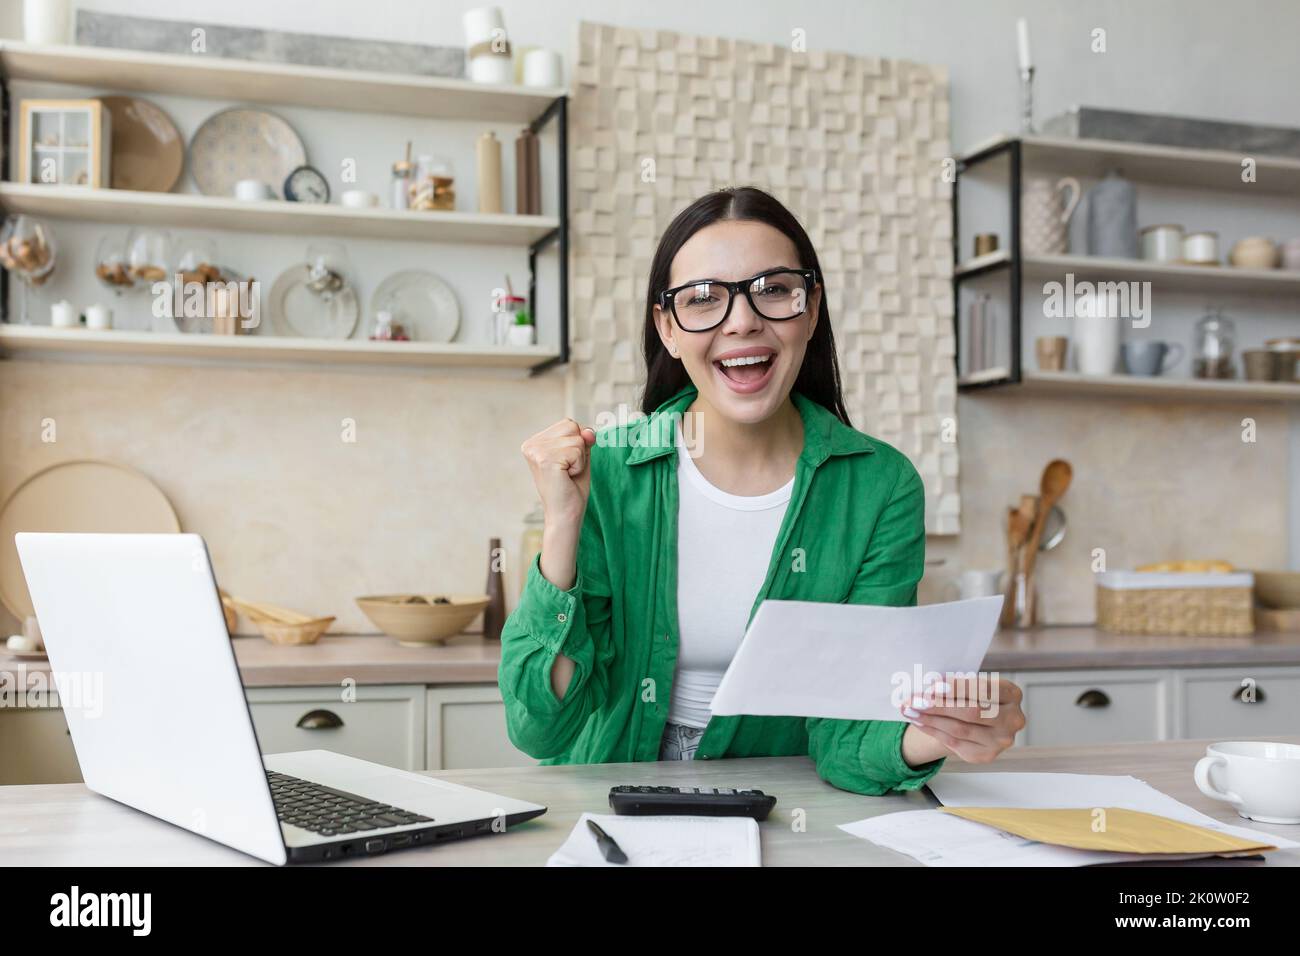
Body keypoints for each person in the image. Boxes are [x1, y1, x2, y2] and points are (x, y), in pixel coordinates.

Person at [498, 185, 1025, 795]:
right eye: (703, 299)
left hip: (777, 802)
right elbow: (540, 728)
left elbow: (848, 731)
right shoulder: (607, 472)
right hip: (611, 796)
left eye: (774, 290)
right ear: (668, 329)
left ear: (812, 308)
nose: (742, 320)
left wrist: (939, 731)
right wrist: (562, 524)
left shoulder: (881, 486)